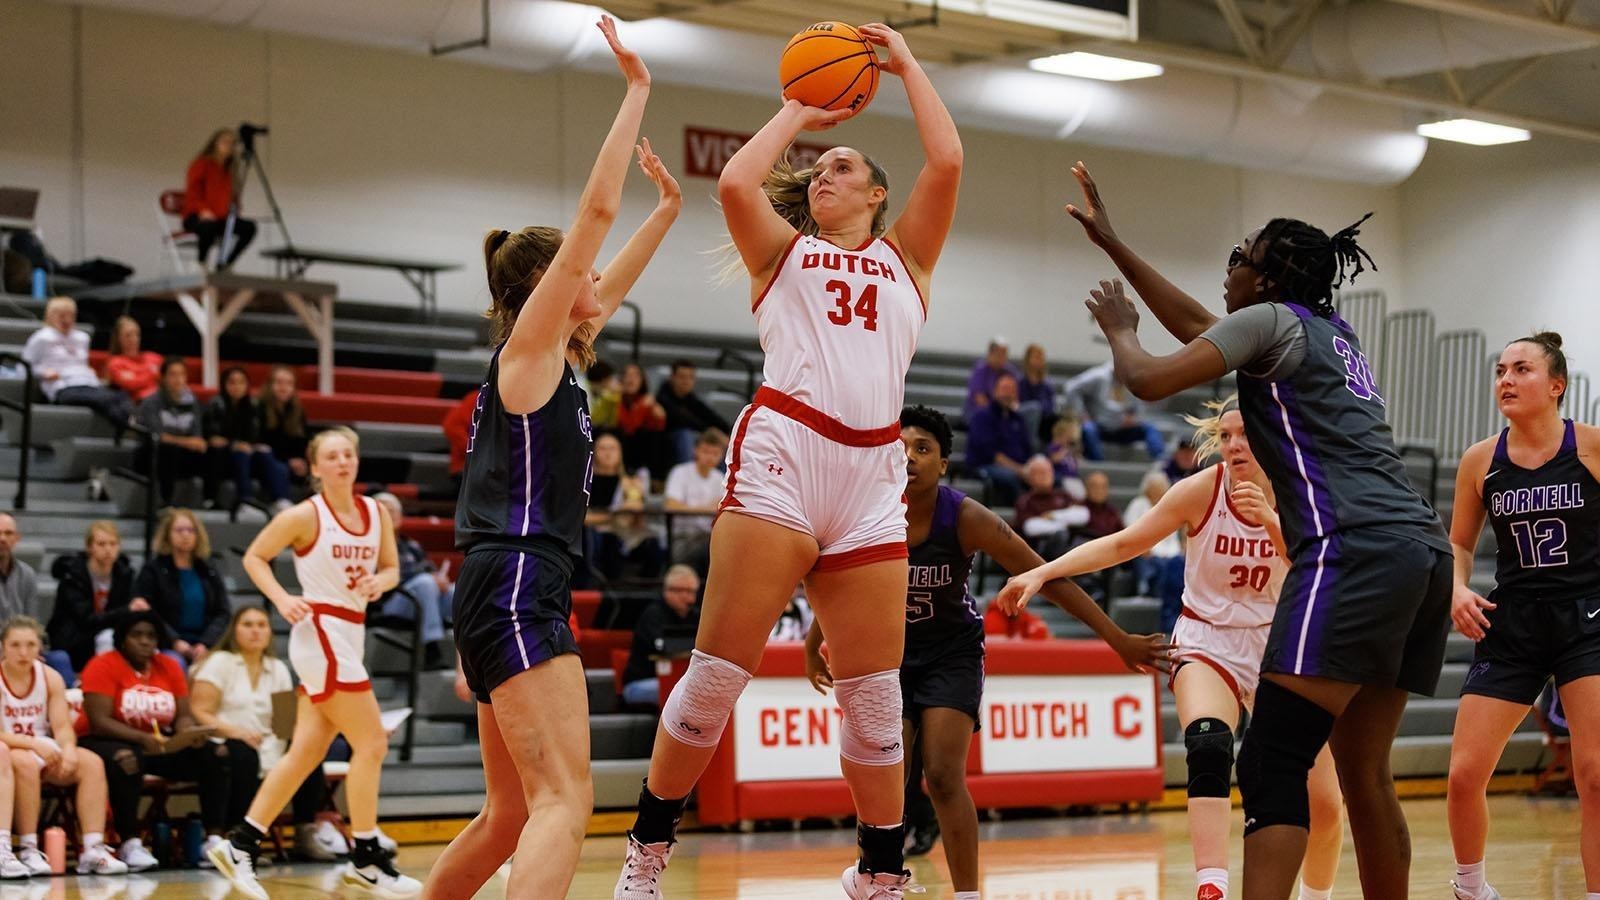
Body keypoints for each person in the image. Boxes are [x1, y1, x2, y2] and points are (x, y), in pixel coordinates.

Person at [615, 24, 963, 899]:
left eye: (844, 165)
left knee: (876, 699)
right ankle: (648, 849)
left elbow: (948, 162)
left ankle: (881, 872)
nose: (824, 173)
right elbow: (736, 179)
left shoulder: (906, 260)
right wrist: (800, 107)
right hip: (786, 452)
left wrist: (908, 64)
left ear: (879, 194)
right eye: (819, 167)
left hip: (871, 476)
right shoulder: (783, 251)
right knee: (718, 676)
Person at [1066, 161, 1449, 898]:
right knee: (1366, 774)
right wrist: (1115, 246)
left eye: (1241, 256)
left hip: (1354, 548)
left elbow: (1147, 377)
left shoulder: (1271, 323)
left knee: (1273, 761)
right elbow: (1199, 326)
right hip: (1418, 551)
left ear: (1269, 280)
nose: (1229, 264)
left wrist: (1117, 330)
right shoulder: (1325, 330)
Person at [425, 19, 680, 900]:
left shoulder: (560, 356)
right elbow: (594, 218)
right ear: (542, 291)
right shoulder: (529, 352)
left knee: (510, 814)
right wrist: (637, 90)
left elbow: (610, 274)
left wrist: (671, 213)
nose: (595, 283)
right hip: (519, 578)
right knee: (566, 802)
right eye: (580, 274)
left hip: (502, 580)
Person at [806, 405, 1169, 900]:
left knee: (943, 772)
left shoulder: (966, 517)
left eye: (923, 449)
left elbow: (1047, 574)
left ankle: (968, 895)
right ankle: (876, 878)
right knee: (889, 774)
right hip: (888, 655)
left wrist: (1117, 637)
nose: (909, 457)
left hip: (951, 654)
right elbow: (837, 581)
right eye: (900, 448)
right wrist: (812, 643)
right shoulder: (867, 511)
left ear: (943, 465)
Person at [1001, 397, 1343, 900]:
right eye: (1224, 436)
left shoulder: (1301, 493)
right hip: (1207, 640)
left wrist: (1271, 521)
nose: (1232, 445)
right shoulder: (1199, 492)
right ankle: (1211, 885)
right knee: (1208, 744)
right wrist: (1043, 570)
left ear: (1271, 433)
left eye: (1243, 434)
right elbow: (1123, 543)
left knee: (1327, 805)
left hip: (1280, 643)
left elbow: (1325, 573)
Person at [210, 427, 418, 897]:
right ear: (316, 467)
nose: (343, 461)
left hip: (351, 631)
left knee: (305, 752)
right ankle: (366, 854)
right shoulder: (306, 514)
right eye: (332, 456)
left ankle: (241, 842)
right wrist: (283, 599)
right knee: (372, 743)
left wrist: (379, 585)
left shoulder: (376, 512)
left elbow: (391, 569)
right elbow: (256, 558)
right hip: (319, 633)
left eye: (349, 454)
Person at [1445, 332, 1600, 900]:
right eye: (1500, 370)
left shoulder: (1590, 447)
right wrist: (1457, 589)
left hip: (1587, 616)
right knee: (1464, 775)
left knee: (1595, 776)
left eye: (1522, 369)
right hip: (1514, 622)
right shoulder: (1480, 460)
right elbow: (1459, 544)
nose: (1506, 379)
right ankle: (1471, 888)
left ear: (1556, 386)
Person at [190, 606, 349, 863]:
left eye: (262, 625)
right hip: (225, 743)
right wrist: (236, 732)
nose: (255, 631)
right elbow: (200, 711)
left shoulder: (278, 668)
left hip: (268, 744)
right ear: (234, 630)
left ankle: (304, 831)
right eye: (248, 624)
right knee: (244, 754)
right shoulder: (220, 662)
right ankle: (239, 841)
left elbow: (285, 725)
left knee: (308, 753)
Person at [79, 609, 228, 872]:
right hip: (103, 740)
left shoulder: (168, 666)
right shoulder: (103, 665)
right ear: (122, 639)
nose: (146, 641)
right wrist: (142, 738)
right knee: (127, 760)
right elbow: (98, 721)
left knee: (215, 753)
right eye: (137, 635)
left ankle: (213, 839)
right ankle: (130, 842)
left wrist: (186, 735)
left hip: (155, 742)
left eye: (152, 635)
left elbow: (182, 715)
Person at [0, 616, 129, 876]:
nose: (23, 652)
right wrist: (33, 744)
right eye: (15, 645)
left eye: (30, 645)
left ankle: (93, 849)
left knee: (90, 762)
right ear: (3, 647)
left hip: (40, 747)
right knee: (23, 760)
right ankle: (24, 848)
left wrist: (68, 748)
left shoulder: (50, 677)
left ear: (40, 647)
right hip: (11, 747)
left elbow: (61, 726)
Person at [133, 508, 231, 669]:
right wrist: (174, 641)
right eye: (179, 530)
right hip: (165, 642)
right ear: (168, 535)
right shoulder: (154, 569)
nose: (185, 535)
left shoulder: (208, 569)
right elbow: (147, 610)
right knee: (175, 664)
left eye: (190, 530)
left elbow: (223, 611)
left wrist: (205, 643)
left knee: (219, 666)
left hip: (204, 642)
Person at [20, 297, 133, 432]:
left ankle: (127, 427)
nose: (67, 320)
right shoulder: (41, 338)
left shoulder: (82, 338)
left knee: (122, 396)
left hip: (87, 384)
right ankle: (128, 428)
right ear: (50, 316)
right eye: (62, 315)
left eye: (71, 315)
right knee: (106, 401)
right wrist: (43, 372)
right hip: (64, 387)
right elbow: (24, 366)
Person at [371, 492, 454, 668]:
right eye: (382, 510)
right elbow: (390, 578)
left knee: (455, 590)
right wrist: (427, 578)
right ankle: (431, 650)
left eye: (392, 511)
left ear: (400, 518)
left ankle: (477, 647)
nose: (388, 514)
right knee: (425, 583)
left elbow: (430, 569)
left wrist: (440, 579)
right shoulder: (368, 545)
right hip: (388, 604)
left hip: (421, 598)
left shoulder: (412, 545)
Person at [45, 519, 134, 677]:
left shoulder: (125, 575)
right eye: (101, 544)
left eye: (113, 544)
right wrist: (126, 611)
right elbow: (86, 619)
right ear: (89, 547)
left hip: (108, 637)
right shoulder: (72, 576)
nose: (108, 549)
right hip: (73, 641)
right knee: (106, 638)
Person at [206, 366, 292, 511]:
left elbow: (253, 436)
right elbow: (213, 438)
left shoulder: (253, 406)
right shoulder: (216, 405)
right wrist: (234, 444)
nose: (237, 387)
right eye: (232, 382)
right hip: (222, 456)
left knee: (265, 453)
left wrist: (254, 445)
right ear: (224, 384)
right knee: (241, 453)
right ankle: (244, 500)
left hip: (247, 453)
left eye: (241, 382)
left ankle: (280, 499)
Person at [621, 566, 701, 709]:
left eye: (692, 592)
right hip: (641, 683)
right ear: (668, 590)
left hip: (678, 680)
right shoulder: (653, 615)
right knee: (682, 691)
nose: (688, 598)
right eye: (682, 591)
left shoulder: (695, 616)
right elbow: (662, 647)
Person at [587, 435, 663, 583]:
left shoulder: (630, 481)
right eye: (603, 448)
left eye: (612, 448)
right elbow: (580, 517)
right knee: (602, 539)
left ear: (620, 452)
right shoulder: (585, 480)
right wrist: (615, 513)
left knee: (653, 544)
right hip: (593, 533)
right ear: (594, 451)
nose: (608, 453)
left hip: (624, 533)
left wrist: (637, 505)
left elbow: (634, 515)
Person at [135, 356, 208, 506]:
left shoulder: (192, 403)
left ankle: (211, 501)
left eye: (182, 374)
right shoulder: (151, 402)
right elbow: (158, 437)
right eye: (173, 374)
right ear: (163, 378)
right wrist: (185, 441)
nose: (178, 379)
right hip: (151, 455)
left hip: (181, 454)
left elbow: (198, 439)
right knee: (168, 450)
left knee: (212, 453)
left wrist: (190, 442)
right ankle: (166, 503)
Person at [1063, 360, 1166, 461]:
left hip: (1122, 427)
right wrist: (1081, 414)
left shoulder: (1132, 380)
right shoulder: (1100, 376)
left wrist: (1133, 419)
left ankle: (1161, 461)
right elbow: (1071, 388)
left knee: (1150, 429)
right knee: (1088, 429)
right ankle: (1098, 464)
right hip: (1098, 426)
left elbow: (1138, 408)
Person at [182, 128, 256, 269]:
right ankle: (201, 262)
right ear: (215, 143)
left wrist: (235, 205)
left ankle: (225, 264)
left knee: (249, 228)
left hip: (221, 216)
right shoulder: (202, 164)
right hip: (196, 215)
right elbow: (193, 191)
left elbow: (231, 194)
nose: (229, 146)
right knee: (209, 227)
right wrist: (203, 210)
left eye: (232, 143)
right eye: (225, 142)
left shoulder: (229, 170)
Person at [1125, 469, 1185, 632]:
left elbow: (1174, 540)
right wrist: (1144, 549)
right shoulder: (1138, 504)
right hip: (1146, 553)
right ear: (1147, 488)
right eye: (1156, 487)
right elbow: (1129, 531)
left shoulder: (1169, 507)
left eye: (1162, 487)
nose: (1159, 491)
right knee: (1162, 567)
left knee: (1178, 564)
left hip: (1169, 555)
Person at [663, 428, 728, 571]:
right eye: (705, 452)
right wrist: (707, 508)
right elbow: (671, 506)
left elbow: (722, 508)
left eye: (715, 453)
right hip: (683, 537)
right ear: (695, 451)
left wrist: (689, 508)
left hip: (710, 536)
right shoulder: (680, 472)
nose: (709, 457)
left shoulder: (720, 478)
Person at [964, 372, 1032, 505]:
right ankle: (1020, 513)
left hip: (1018, 466)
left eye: (1012, 390)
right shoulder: (982, 417)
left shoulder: (1018, 419)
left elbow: (1028, 449)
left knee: (1048, 476)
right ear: (995, 391)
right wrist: (1020, 470)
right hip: (985, 466)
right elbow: (992, 455)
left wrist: (1032, 467)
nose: (1008, 394)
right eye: (1005, 389)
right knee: (1010, 478)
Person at [655, 361, 731, 465]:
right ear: (672, 378)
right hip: (663, 447)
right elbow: (682, 420)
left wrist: (728, 431)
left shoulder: (690, 399)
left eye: (690, 377)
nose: (686, 381)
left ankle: (723, 478)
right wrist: (712, 432)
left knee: (720, 444)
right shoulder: (662, 398)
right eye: (682, 377)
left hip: (690, 440)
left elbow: (710, 416)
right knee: (685, 436)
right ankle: (687, 476)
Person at [1013, 455, 1085, 559]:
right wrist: (1066, 521)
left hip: (1067, 547)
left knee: (1081, 543)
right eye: (1040, 473)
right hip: (1038, 552)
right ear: (1030, 478)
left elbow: (1083, 514)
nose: (1045, 476)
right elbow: (1030, 527)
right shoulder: (1025, 500)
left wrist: (1053, 516)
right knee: (1060, 536)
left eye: (1048, 471)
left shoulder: (1063, 495)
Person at [617, 362, 671, 482]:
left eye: (636, 375)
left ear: (642, 380)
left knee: (656, 437)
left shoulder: (649, 401)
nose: (631, 379)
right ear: (621, 379)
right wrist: (641, 407)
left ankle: (655, 480)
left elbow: (660, 426)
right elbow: (628, 427)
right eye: (627, 375)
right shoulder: (615, 398)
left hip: (642, 451)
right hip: (620, 443)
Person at [258, 364, 310, 486]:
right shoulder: (259, 408)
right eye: (279, 383)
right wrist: (289, 460)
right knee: (279, 466)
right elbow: (262, 442)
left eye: (289, 384)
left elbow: (301, 441)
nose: (284, 388)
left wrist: (301, 460)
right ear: (269, 385)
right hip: (266, 460)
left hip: (291, 461)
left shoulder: (297, 411)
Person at [103, 315, 163, 402]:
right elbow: (131, 384)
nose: (134, 339)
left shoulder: (154, 358)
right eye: (128, 336)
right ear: (118, 339)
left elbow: (168, 380)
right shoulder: (115, 363)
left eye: (137, 334)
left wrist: (137, 376)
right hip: (136, 406)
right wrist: (153, 374)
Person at [962, 337, 1019, 422]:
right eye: (999, 354)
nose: (1002, 357)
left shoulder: (1010, 371)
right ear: (990, 353)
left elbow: (1015, 396)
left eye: (1004, 354)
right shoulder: (980, 370)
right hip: (979, 411)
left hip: (1004, 411)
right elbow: (980, 399)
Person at [0, 514, 39, 625]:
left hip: (18, 639)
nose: (2, 538)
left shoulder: (28, 574)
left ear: (16, 538)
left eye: (8, 533)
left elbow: (31, 622)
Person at [1017, 342, 1057, 441]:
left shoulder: (1047, 385)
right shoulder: (1019, 382)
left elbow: (1050, 407)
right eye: (1036, 357)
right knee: (1034, 408)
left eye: (1041, 358)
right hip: (1023, 419)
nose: (1039, 361)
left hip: (1043, 421)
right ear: (1028, 359)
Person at [587, 360, 622, 433]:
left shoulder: (603, 395)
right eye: (611, 379)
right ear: (604, 380)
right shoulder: (607, 396)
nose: (614, 382)